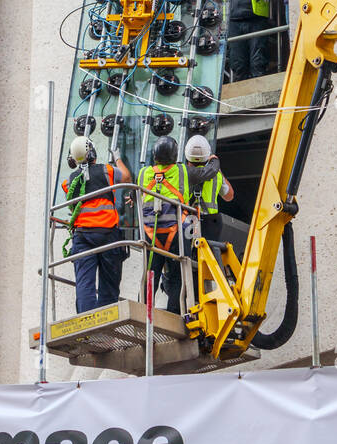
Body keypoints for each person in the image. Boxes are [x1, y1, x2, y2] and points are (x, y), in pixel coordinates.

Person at [62, 136, 131, 314]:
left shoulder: (70, 180)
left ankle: (87, 324)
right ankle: (106, 328)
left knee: (85, 283)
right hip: (108, 235)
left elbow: (72, 205)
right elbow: (126, 176)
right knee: (109, 283)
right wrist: (117, 158)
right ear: (91, 151)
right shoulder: (107, 171)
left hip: (83, 236)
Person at [137, 136, 193, 314]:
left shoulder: (144, 173)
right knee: (176, 277)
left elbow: (136, 196)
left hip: (150, 234)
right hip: (174, 233)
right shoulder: (182, 171)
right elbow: (207, 173)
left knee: (149, 276)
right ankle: (174, 316)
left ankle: (142, 316)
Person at [184, 134, 234, 243]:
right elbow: (229, 196)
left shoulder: (181, 173)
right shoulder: (216, 175)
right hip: (211, 225)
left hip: (186, 222)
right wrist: (217, 170)